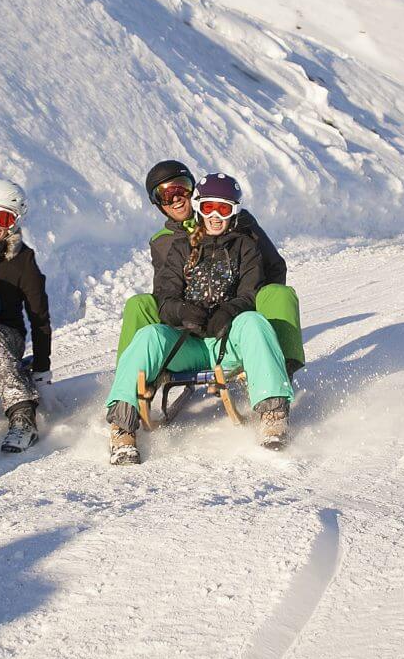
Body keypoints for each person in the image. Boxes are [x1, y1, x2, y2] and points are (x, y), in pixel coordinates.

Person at [106, 173, 294, 462]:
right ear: (199, 208)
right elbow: (164, 298)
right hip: (187, 345)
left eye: (224, 208)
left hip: (227, 344)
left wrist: (229, 312)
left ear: (234, 211)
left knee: (254, 322)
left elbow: (249, 294)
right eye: (209, 208)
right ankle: (122, 428)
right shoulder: (182, 248)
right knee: (149, 335)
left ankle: (272, 413)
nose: (216, 216)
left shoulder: (246, 247)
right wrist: (182, 312)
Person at [117, 160, 305, 372]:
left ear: (193, 188)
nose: (175, 198)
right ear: (158, 204)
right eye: (164, 195)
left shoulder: (233, 219)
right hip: (191, 321)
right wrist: (183, 314)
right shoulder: (163, 241)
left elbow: (274, 266)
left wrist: (251, 308)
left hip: (239, 310)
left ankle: (281, 365)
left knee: (279, 293)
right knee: (138, 305)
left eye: (180, 187)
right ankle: (131, 377)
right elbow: (164, 290)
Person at [0, 179, 51, 452]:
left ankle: (23, 418)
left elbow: (39, 315)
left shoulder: (23, 260)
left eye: (3, 217)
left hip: (7, 335)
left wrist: (41, 365)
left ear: (15, 221)